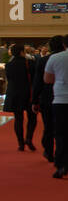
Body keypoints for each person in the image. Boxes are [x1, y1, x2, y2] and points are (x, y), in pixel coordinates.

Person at [33, 36, 62, 163]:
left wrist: (34, 100)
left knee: (48, 125)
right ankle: (60, 153)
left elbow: (38, 81)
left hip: (47, 96)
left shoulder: (44, 60)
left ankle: (49, 151)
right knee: (61, 127)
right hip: (61, 97)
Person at [4, 44, 38, 151]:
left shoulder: (9, 65)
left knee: (18, 119)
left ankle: (20, 143)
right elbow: (35, 79)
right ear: (22, 52)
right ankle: (28, 138)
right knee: (32, 118)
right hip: (28, 94)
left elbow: (9, 79)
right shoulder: (30, 63)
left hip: (15, 95)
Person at [44, 38, 68, 178]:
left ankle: (61, 165)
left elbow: (47, 79)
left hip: (60, 99)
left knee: (60, 133)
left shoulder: (55, 58)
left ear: (64, 44)